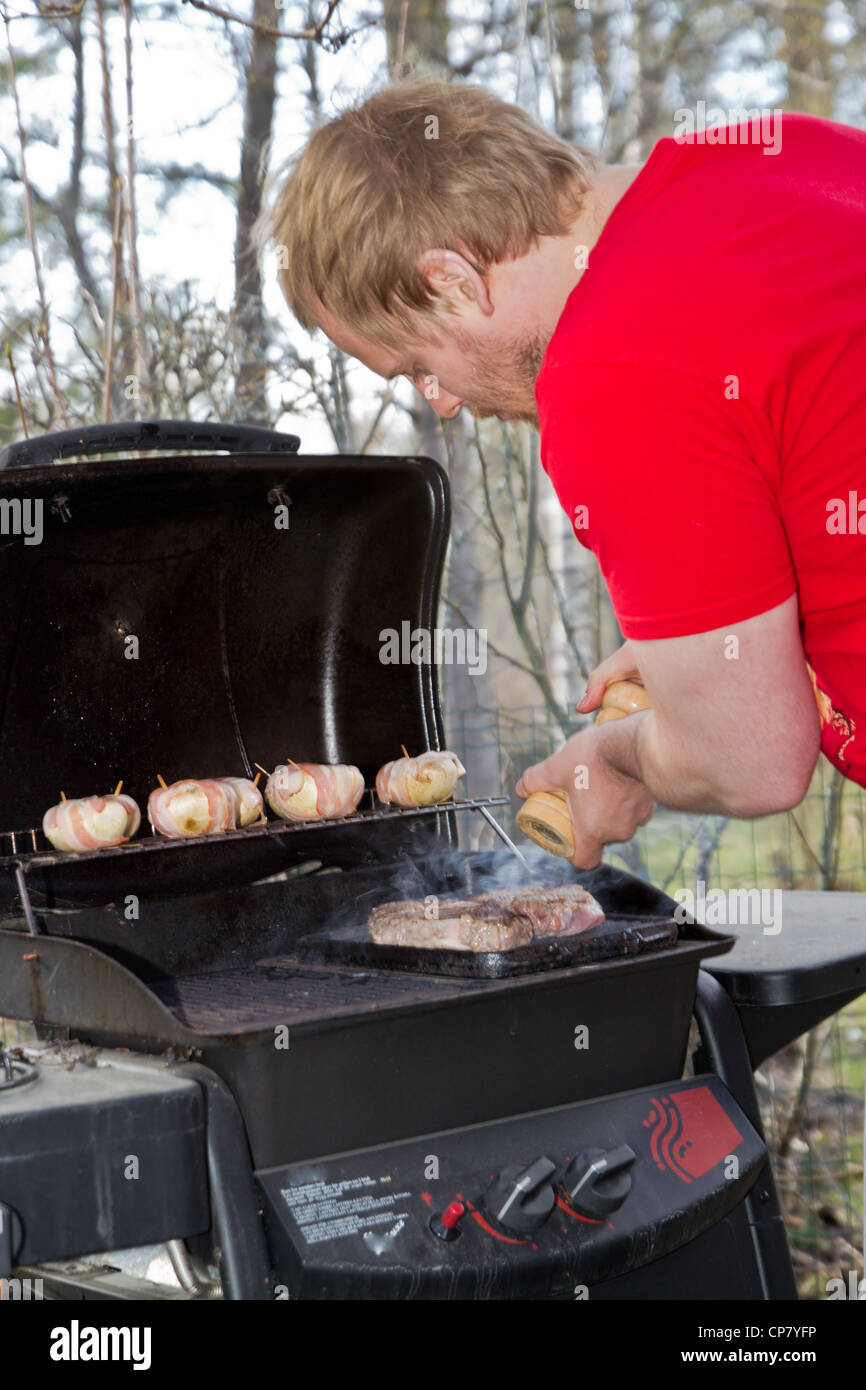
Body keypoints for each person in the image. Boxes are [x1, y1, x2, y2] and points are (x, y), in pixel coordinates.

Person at [259, 80, 866, 867]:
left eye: (415, 367)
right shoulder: (776, 151)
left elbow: (750, 761)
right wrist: (716, 647)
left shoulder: (609, 366)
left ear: (454, 280)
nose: (442, 404)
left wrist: (615, 758)